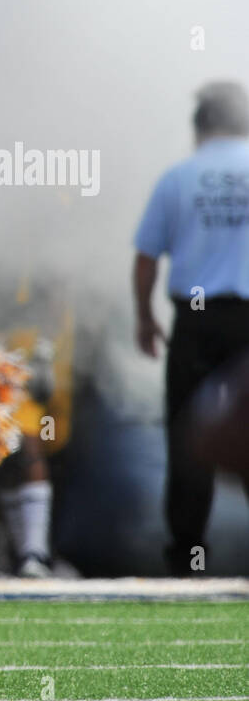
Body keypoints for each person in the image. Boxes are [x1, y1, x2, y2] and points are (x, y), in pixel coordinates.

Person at [133, 80, 249, 576]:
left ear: (200, 126)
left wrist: (145, 316)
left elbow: (146, 257)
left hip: (197, 322)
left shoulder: (178, 177)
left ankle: (186, 556)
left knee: (188, 433)